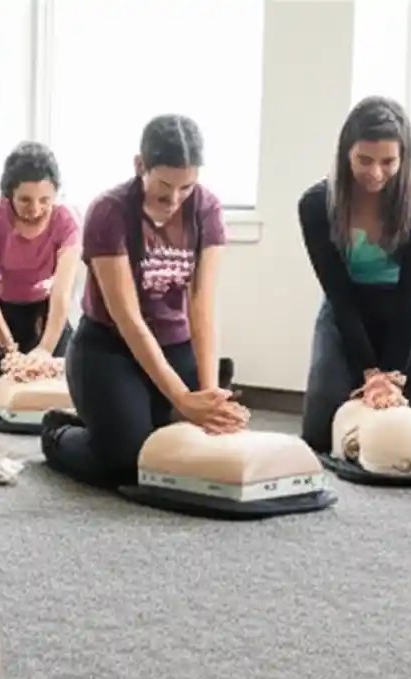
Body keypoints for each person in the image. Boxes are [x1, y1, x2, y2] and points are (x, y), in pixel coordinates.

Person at [40, 114, 249, 488]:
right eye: (164, 187)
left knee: (188, 441)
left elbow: (201, 306)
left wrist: (209, 396)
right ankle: (58, 433)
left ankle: (147, 411)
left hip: (174, 344)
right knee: (127, 461)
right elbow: (129, 319)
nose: (174, 200)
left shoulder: (207, 210)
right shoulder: (109, 211)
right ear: (140, 166)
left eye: (186, 187)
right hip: (109, 348)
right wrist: (183, 398)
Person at [298, 96, 411, 466]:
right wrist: (369, 372)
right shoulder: (315, 205)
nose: (375, 173)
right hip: (347, 314)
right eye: (364, 160)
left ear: (404, 159)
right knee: (315, 434)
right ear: (346, 154)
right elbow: (339, 296)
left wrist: (390, 376)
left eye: (388, 162)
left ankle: (383, 438)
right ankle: (374, 435)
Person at [0, 140, 80, 412]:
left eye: (45, 200)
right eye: (25, 200)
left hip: (42, 305)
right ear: (9, 195)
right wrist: (8, 348)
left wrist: (44, 351)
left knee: (57, 384)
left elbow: (62, 294)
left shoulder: (66, 221)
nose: (35, 209)